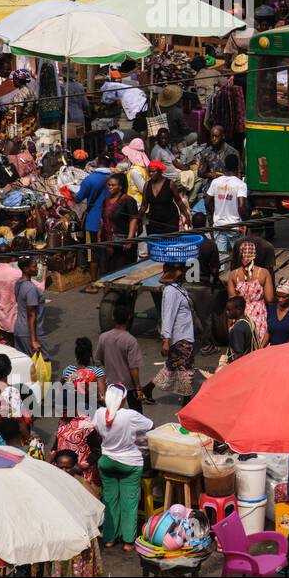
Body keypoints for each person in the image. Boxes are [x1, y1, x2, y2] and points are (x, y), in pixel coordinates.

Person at [92, 385, 152, 551]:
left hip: (106, 461)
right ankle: (128, 541)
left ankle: (110, 538)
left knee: (110, 501)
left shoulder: (98, 413)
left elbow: (95, 431)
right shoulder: (129, 415)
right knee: (129, 502)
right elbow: (150, 425)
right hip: (130, 463)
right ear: (123, 399)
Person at [149, 262, 197, 406]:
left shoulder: (178, 289)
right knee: (185, 368)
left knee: (171, 367)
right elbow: (168, 316)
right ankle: (186, 401)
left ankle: (147, 390)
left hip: (184, 334)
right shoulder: (171, 291)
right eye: (180, 270)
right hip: (180, 337)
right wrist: (166, 339)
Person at [73, 156, 113, 289]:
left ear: (97, 164)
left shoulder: (90, 179)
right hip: (111, 220)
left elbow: (78, 198)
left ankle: (93, 284)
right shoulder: (116, 178)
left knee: (93, 253)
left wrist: (70, 193)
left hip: (93, 221)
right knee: (109, 250)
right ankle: (110, 280)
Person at [97, 303, 144, 413]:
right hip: (129, 385)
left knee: (112, 413)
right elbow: (134, 367)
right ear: (128, 318)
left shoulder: (103, 337)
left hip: (111, 383)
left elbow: (101, 358)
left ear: (113, 318)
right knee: (136, 413)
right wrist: (138, 387)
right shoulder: (131, 340)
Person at [227, 240, 273, 348]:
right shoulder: (263, 273)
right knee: (259, 348)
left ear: (240, 255)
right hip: (259, 316)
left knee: (242, 350)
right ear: (255, 255)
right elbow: (269, 298)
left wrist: (229, 325)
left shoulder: (234, 275)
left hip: (240, 316)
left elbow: (231, 302)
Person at [205, 155, 248, 255]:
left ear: (225, 167)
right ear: (237, 167)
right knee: (239, 257)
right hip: (235, 226)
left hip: (219, 226)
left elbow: (207, 201)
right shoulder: (240, 184)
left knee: (221, 258)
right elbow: (241, 207)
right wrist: (245, 221)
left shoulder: (216, 182)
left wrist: (215, 212)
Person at [100, 173, 140, 274]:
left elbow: (133, 219)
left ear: (120, 187)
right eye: (109, 185)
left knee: (123, 270)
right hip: (107, 240)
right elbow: (102, 219)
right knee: (108, 269)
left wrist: (130, 239)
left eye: (113, 185)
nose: (110, 187)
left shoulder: (128, 200)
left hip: (122, 239)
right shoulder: (106, 200)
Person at [139, 160, 190, 237]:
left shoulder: (170, 184)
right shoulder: (147, 185)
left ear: (160, 172)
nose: (151, 174)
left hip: (170, 221)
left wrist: (187, 216)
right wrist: (137, 218)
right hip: (154, 222)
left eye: (153, 172)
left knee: (170, 244)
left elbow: (179, 201)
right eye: (149, 172)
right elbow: (144, 206)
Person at [13, 255, 47, 356]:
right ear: (26, 269)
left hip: (19, 330)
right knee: (42, 365)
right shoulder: (30, 288)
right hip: (30, 333)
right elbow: (31, 314)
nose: (37, 269)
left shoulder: (18, 283)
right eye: (34, 266)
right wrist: (34, 340)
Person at [225, 296, 255, 361]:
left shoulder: (238, 328)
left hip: (241, 364)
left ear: (239, 309)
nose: (226, 312)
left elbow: (238, 353)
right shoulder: (249, 321)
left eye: (229, 310)